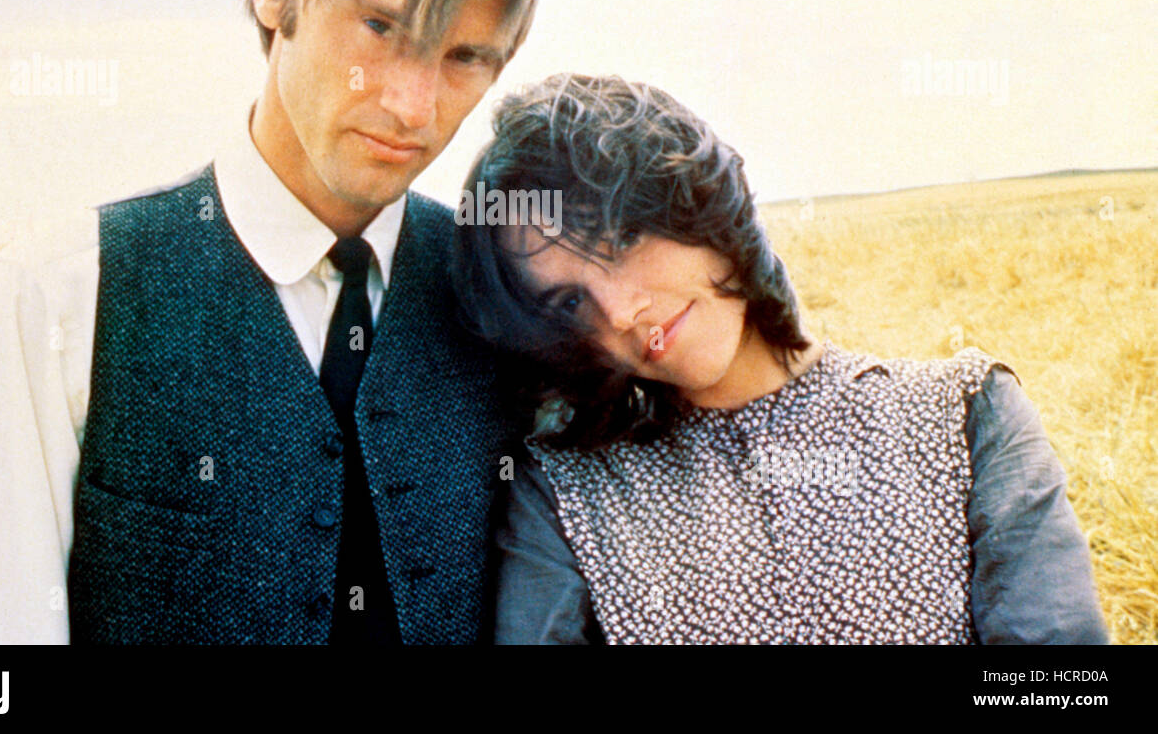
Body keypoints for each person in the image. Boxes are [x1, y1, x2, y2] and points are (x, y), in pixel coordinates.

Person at [0, 0, 549, 644]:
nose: (412, 105)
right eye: (381, 26)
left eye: (465, 57)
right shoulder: (52, 303)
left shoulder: (509, 298)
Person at [452, 73, 1110, 644]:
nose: (619, 312)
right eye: (569, 303)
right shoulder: (568, 496)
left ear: (695, 204)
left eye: (621, 239)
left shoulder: (963, 415)